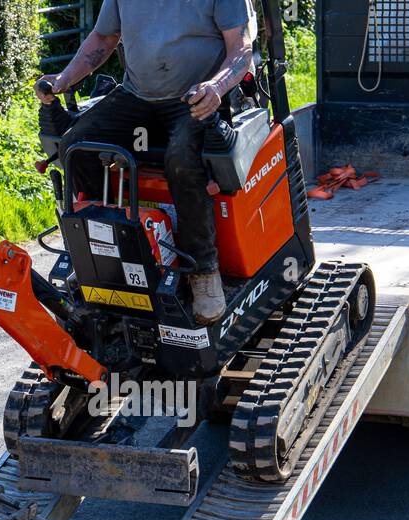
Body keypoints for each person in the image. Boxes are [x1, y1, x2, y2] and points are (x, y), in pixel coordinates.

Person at [37, 0, 257, 325]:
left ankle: (203, 272)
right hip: (137, 96)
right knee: (75, 146)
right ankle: (99, 259)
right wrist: (64, 79)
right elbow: (102, 38)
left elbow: (241, 49)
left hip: (195, 98)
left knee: (181, 159)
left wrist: (216, 87)